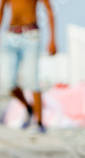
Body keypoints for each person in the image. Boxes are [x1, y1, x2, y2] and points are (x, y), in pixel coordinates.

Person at [0, 0, 56, 132]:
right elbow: (2, 10)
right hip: (11, 34)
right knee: (7, 82)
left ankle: (40, 123)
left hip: (31, 35)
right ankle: (28, 108)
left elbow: (49, 9)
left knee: (31, 80)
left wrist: (52, 39)